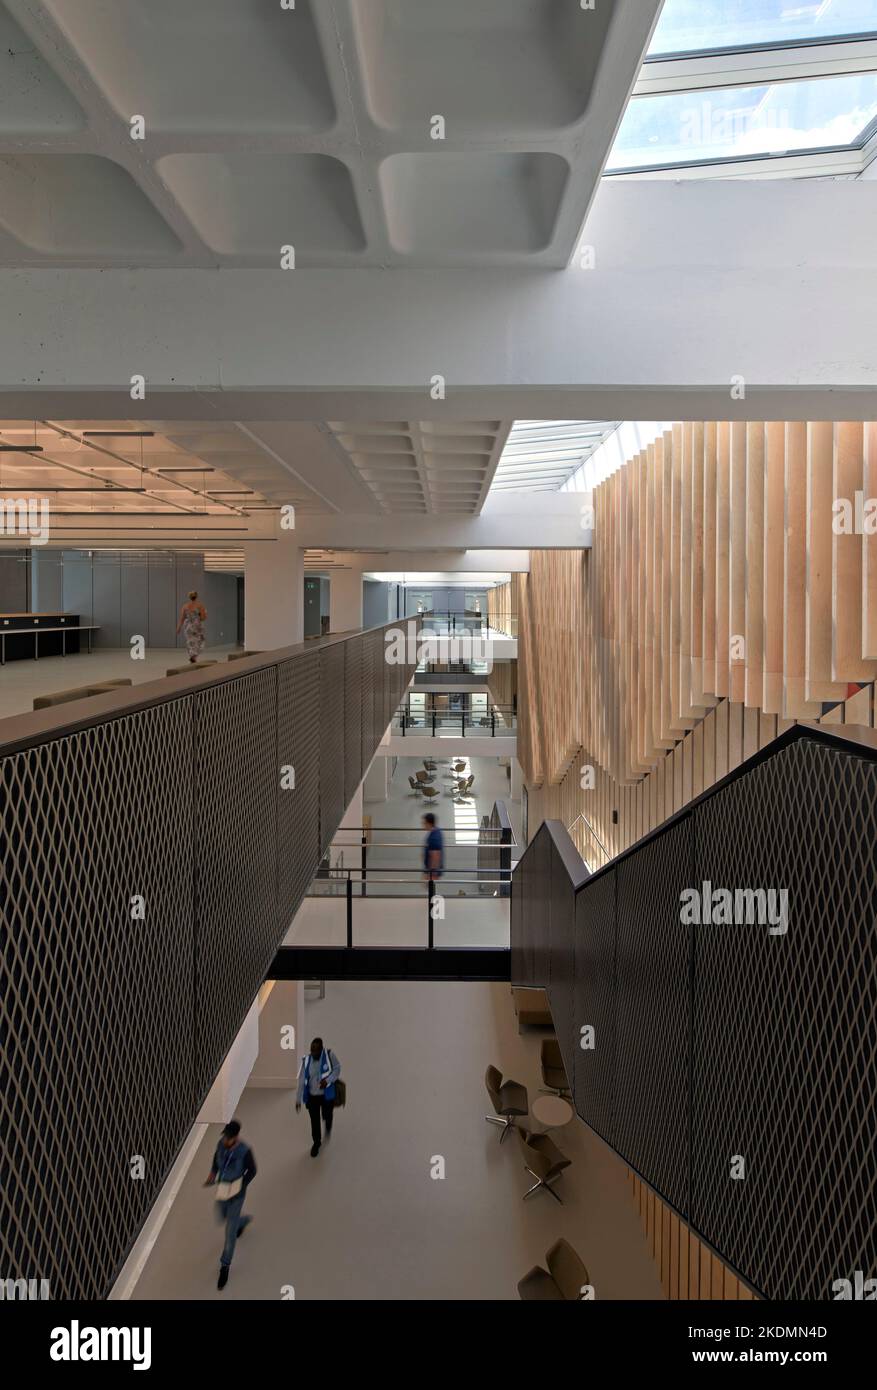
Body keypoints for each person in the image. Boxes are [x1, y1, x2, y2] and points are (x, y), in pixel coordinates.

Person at [204, 1119, 257, 1291]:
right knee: (221, 1216)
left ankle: (225, 1265)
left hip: (236, 1193)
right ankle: (243, 1221)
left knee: (230, 1232)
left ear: (235, 1137)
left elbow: (253, 1170)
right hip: (222, 1188)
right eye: (224, 1136)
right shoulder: (221, 1144)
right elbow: (215, 1158)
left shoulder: (245, 1151)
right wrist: (213, 1172)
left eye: (227, 1137)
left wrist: (241, 1184)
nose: (224, 1140)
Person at [295, 1037, 341, 1158]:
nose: (313, 1053)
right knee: (314, 1121)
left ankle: (328, 1124)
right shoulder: (306, 1061)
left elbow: (337, 1068)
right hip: (312, 1097)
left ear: (321, 1049)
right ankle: (316, 1142)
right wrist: (298, 1099)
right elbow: (301, 1081)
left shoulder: (329, 1055)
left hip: (326, 1096)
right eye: (312, 1050)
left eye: (316, 1051)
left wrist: (328, 1080)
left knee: (327, 1115)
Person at [176, 589, 207, 663]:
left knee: (190, 641)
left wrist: (178, 627)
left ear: (189, 597)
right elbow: (203, 618)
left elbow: (182, 618)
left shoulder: (185, 606)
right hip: (197, 626)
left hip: (188, 626)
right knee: (199, 640)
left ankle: (191, 656)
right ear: (196, 597)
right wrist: (203, 614)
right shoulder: (200, 605)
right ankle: (194, 657)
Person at [422, 811, 444, 882]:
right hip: (432, 870)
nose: (423, 824)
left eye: (424, 823)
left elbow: (435, 854)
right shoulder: (435, 832)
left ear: (429, 823)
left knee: (431, 890)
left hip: (432, 871)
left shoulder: (434, 835)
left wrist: (432, 873)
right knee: (431, 890)